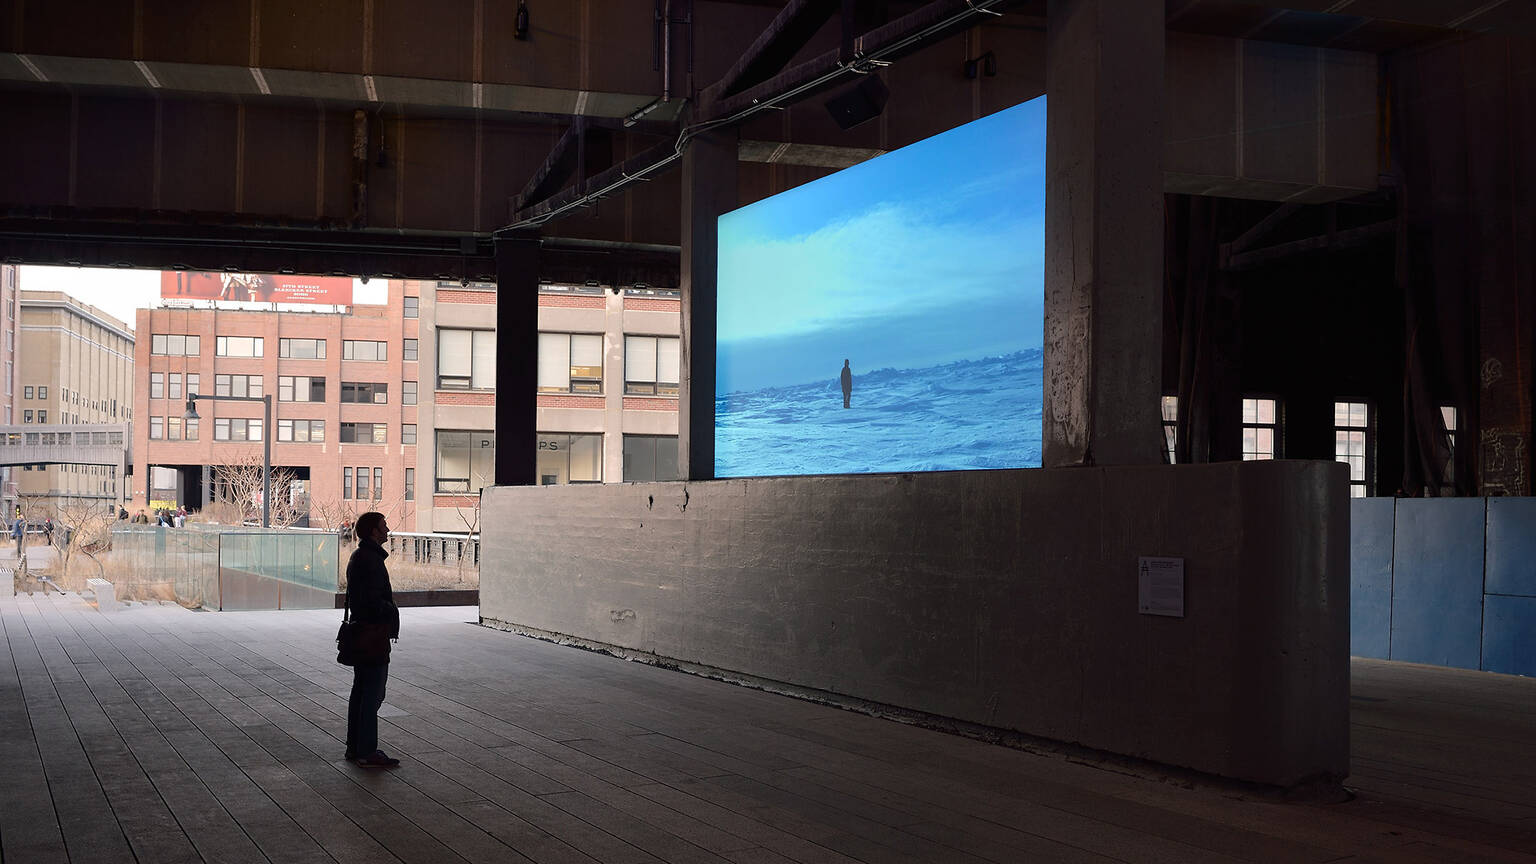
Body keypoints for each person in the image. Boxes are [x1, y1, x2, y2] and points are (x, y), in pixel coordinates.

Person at [344, 511, 400, 768]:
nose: (387, 529)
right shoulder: (371, 560)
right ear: (373, 532)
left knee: (361, 692)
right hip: (372, 634)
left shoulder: (361, 556)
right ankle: (367, 750)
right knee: (372, 695)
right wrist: (390, 612)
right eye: (383, 525)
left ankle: (355, 747)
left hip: (362, 633)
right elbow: (373, 600)